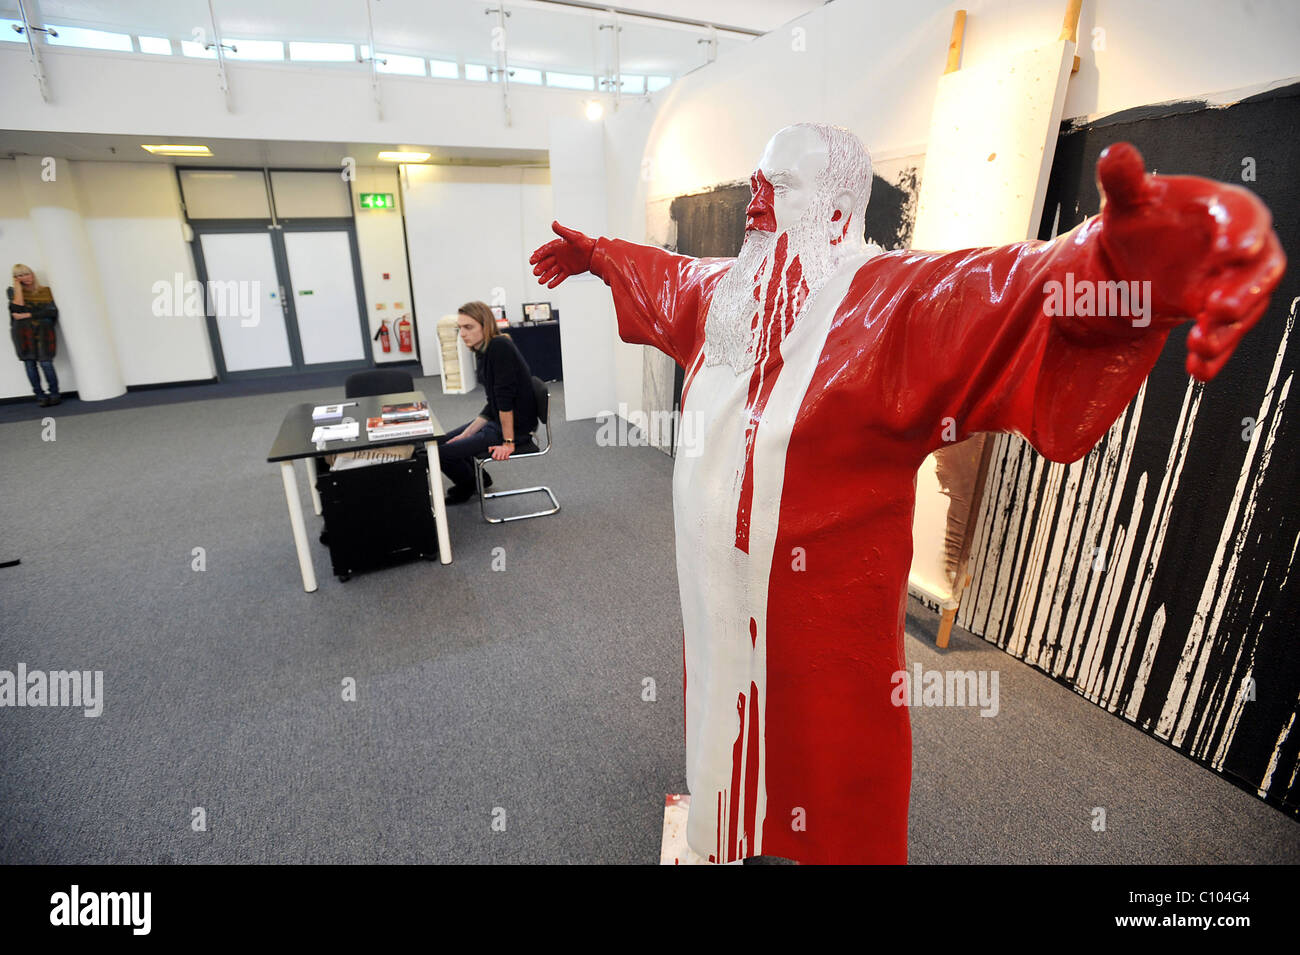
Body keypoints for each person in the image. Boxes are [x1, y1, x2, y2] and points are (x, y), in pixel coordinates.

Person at [529, 124, 1284, 864]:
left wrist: (1134, 262)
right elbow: (669, 274)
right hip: (714, 598)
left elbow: (1011, 290)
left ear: (835, 210)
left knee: (835, 761)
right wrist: (599, 255)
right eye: (755, 185)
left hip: (826, 621)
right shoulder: (730, 296)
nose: (755, 204)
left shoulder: (894, 303)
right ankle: (728, 824)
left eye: (778, 187)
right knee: (723, 731)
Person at [436, 300, 538, 505]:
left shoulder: (500, 347)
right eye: (460, 328)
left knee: (440, 453)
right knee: (440, 442)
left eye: (469, 327)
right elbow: (493, 404)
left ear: (485, 325)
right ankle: (479, 479)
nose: (463, 333)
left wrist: (508, 443)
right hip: (498, 419)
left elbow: (504, 401)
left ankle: (468, 486)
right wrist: (467, 433)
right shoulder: (485, 351)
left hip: (514, 427)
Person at [8, 264, 60, 407]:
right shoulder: (12, 291)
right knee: (30, 364)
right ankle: (40, 395)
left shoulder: (45, 291)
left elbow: (52, 312)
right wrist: (17, 288)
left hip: (44, 331)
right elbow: (16, 309)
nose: (25, 278)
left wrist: (29, 314)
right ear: (15, 279)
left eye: (26, 274)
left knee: (46, 363)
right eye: (19, 276)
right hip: (22, 333)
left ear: (32, 274)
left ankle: (55, 393)